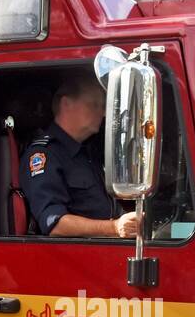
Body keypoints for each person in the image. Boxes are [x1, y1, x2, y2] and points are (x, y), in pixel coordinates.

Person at [20, 70, 140, 238]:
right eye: (95, 104)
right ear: (66, 104)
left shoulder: (87, 152)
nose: (104, 113)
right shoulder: (43, 155)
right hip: (75, 258)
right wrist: (114, 227)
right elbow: (54, 224)